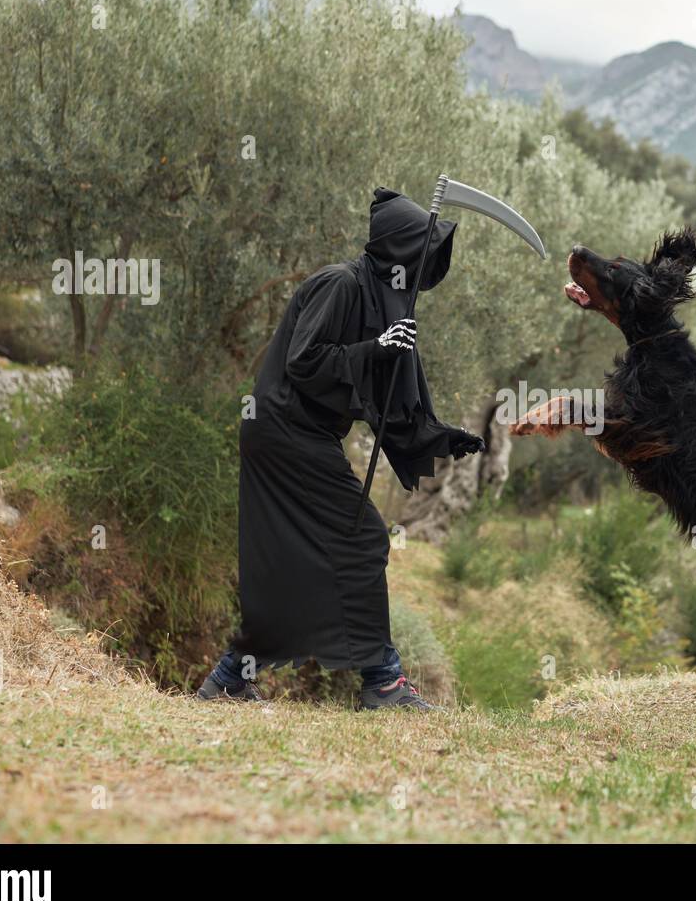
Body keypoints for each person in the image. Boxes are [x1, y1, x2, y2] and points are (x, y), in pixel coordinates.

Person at [197, 187, 484, 709]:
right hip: (284, 431)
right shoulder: (341, 284)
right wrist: (375, 348)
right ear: (397, 249)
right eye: (420, 254)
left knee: (303, 561)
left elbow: (384, 397)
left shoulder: (380, 301)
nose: (423, 270)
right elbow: (306, 362)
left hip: (294, 433)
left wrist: (438, 435)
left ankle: (230, 678)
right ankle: (383, 682)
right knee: (363, 538)